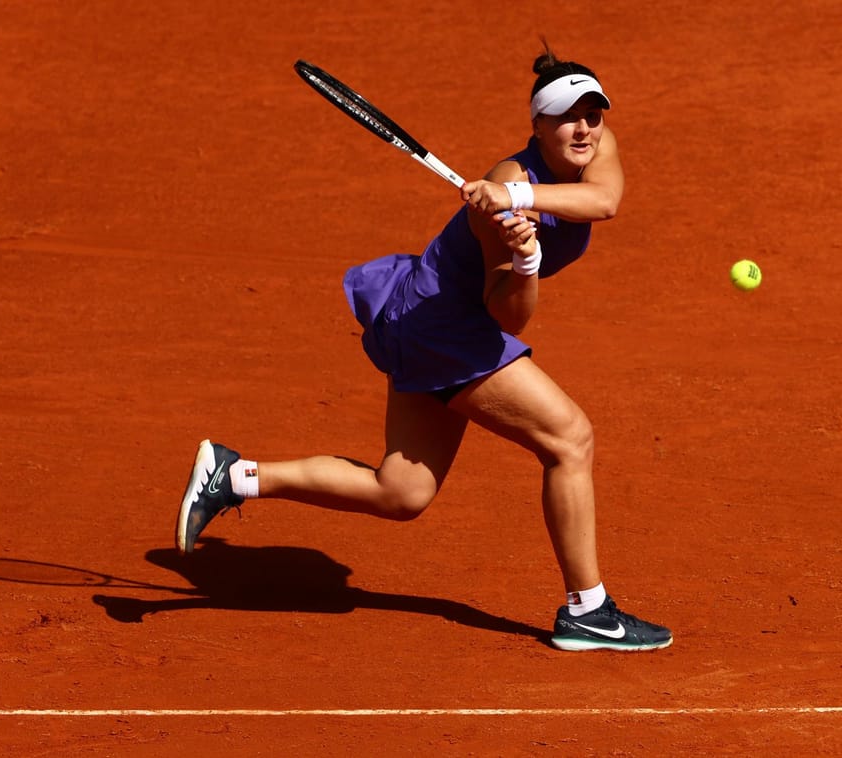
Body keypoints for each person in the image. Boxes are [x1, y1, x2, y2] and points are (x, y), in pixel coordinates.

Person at [176, 43, 672, 652]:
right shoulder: (507, 183)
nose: (585, 127)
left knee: (401, 492)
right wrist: (523, 255)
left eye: (594, 113)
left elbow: (606, 202)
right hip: (439, 323)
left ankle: (236, 476)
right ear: (536, 126)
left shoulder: (583, 156)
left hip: (437, 320)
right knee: (569, 438)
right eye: (569, 116)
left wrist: (516, 203)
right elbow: (508, 314)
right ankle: (588, 611)